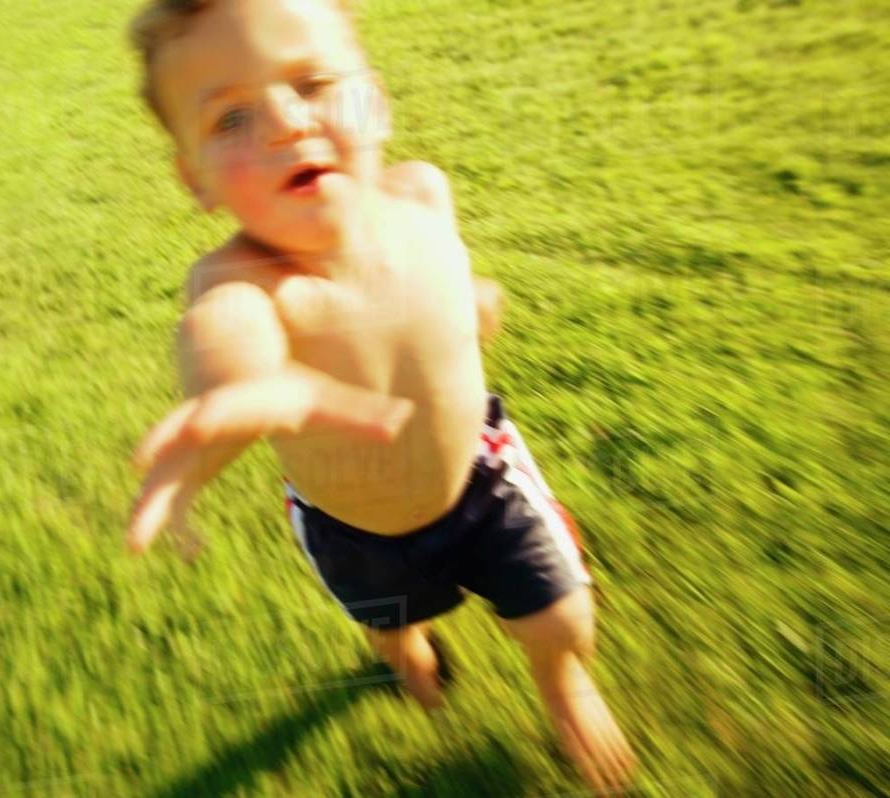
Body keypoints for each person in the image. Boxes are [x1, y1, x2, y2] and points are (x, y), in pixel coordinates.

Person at [125, 0, 636, 790]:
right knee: (388, 623)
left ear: (378, 100)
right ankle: (408, 650)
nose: (288, 125)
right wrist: (243, 387)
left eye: (315, 83)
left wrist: (473, 302)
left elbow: (444, 290)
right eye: (230, 119)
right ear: (193, 178)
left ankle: (564, 684)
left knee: (561, 615)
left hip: (481, 473)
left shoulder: (424, 198)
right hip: (351, 526)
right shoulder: (239, 280)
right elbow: (226, 331)